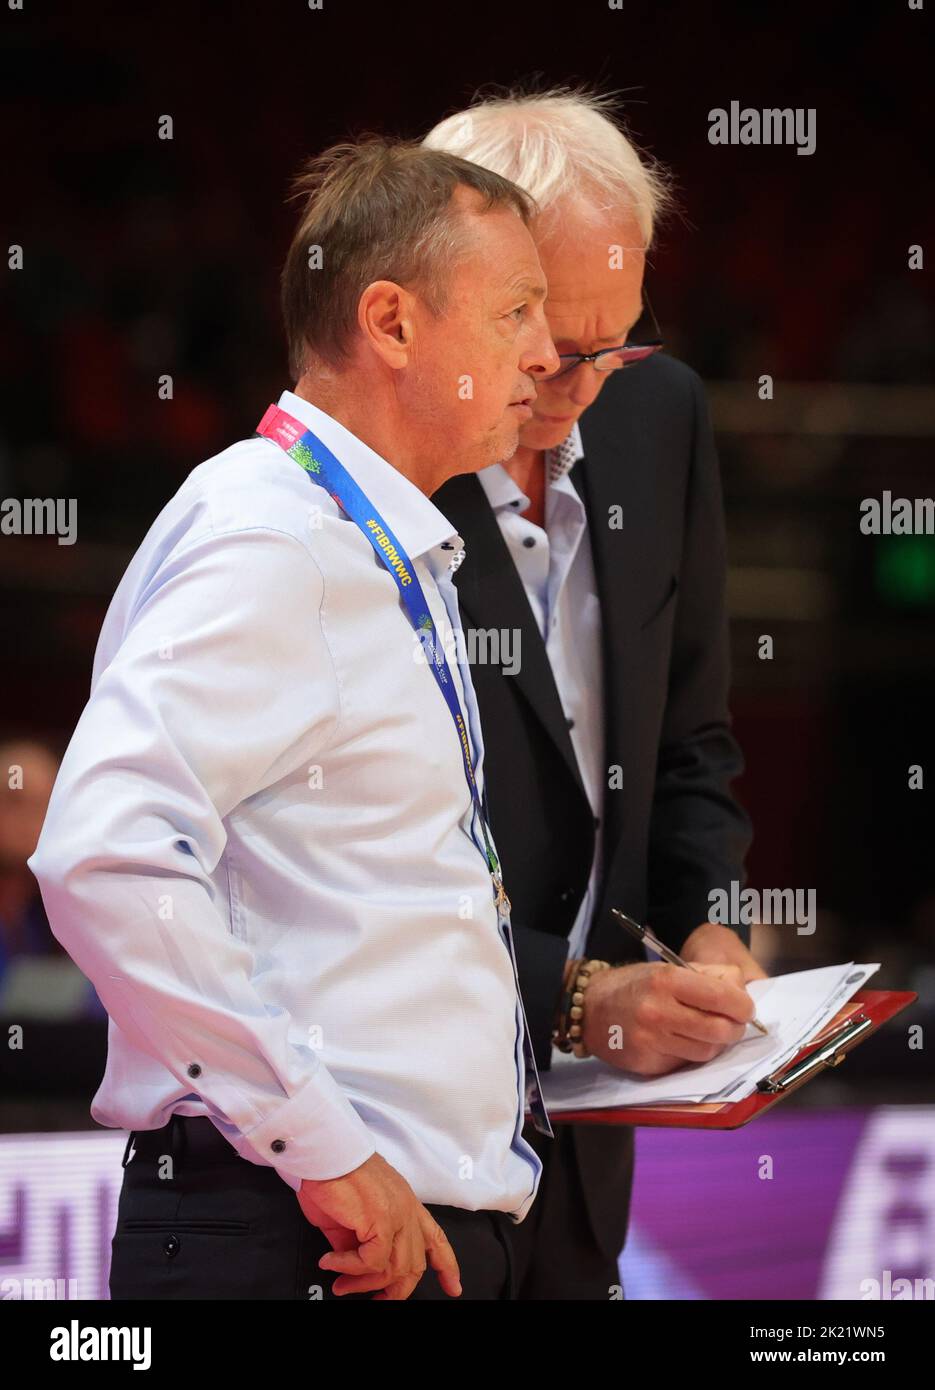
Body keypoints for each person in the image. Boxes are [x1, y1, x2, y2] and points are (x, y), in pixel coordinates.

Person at [28, 138, 563, 1301]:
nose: (544, 350)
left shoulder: (372, 536)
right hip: (292, 1235)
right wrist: (319, 1143)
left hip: (369, 1232)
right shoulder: (274, 537)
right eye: (516, 309)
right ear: (391, 321)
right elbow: (103, 856)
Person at [425, 86, 765, 1298]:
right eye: (550, 346)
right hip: (398, 1139)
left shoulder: (657, 414)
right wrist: (564, 1000)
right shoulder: (379, 461)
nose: (576, 383)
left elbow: (690, 738)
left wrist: (708, 919)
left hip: (591, 1151)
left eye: (611, 340)